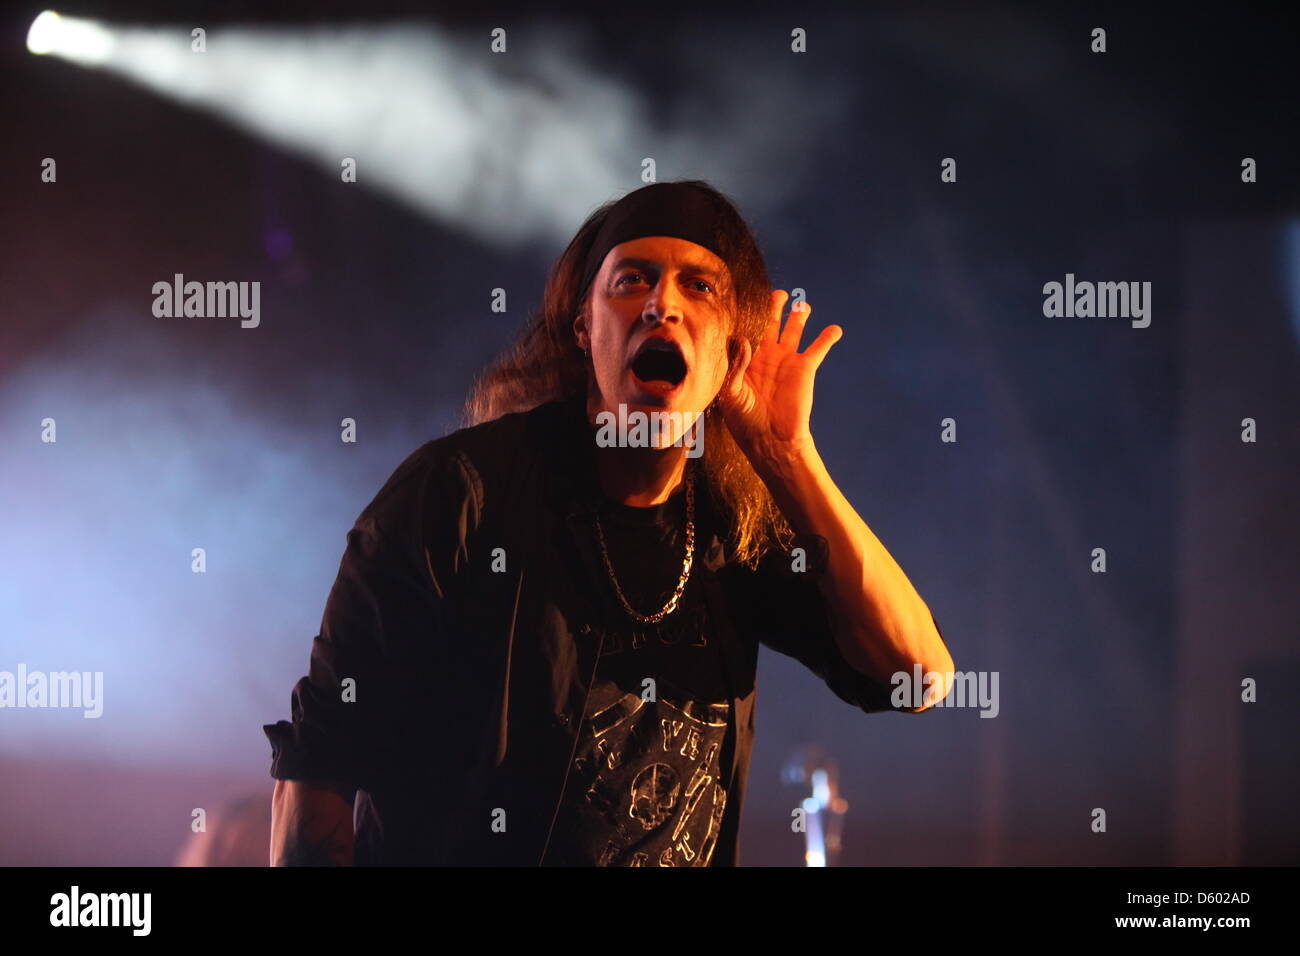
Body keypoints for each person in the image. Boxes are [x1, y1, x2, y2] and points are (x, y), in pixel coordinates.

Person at [264, 179, 954, 866]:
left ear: (732, 356)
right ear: (584, 327)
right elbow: (317, 774)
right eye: (632, 281)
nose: (661, 305)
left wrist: (788, 456)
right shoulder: (458, 496)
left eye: (700, 288)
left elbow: (920, 678)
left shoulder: (733, 528)